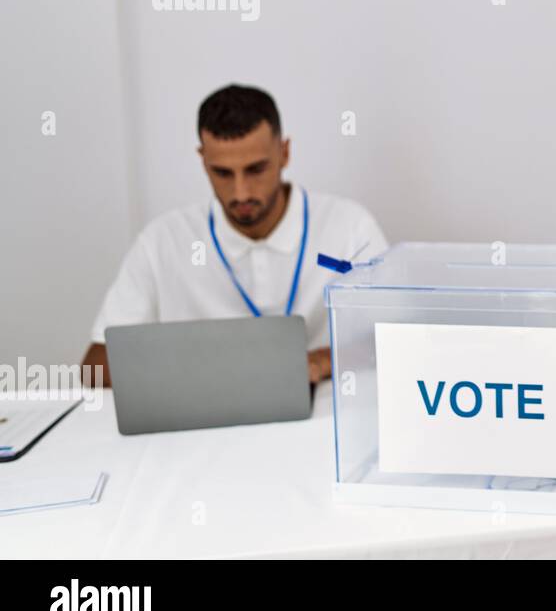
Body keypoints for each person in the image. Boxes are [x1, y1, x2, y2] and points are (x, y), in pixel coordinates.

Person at [81, 84, 387, 387]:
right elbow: (93, 367)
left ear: (285, 153)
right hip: (205, 426)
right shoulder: (162, 241)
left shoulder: (350, 228)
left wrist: (324, 361)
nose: (241, 192)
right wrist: (211, 370)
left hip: (319, 422)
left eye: (256, 169)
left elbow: (399, 336)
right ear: (203, 159)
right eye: (223, 173)